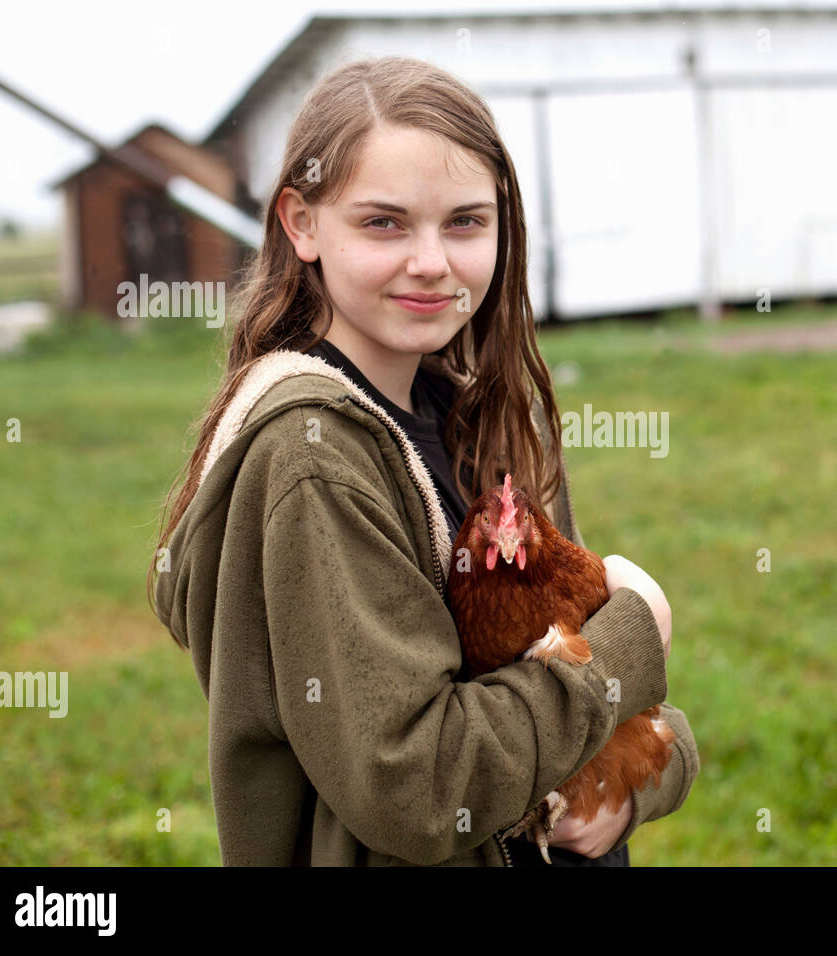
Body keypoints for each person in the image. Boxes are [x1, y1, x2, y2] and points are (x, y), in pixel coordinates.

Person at [148, 56, 698, 866]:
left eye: (466, 222)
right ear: (301, 224)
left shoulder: (477, 416)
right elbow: (421, 786)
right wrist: (635, 639)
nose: (432, 261)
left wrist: (643, 778)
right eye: (384, 223)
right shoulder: (315, 462)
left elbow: (575, 691)